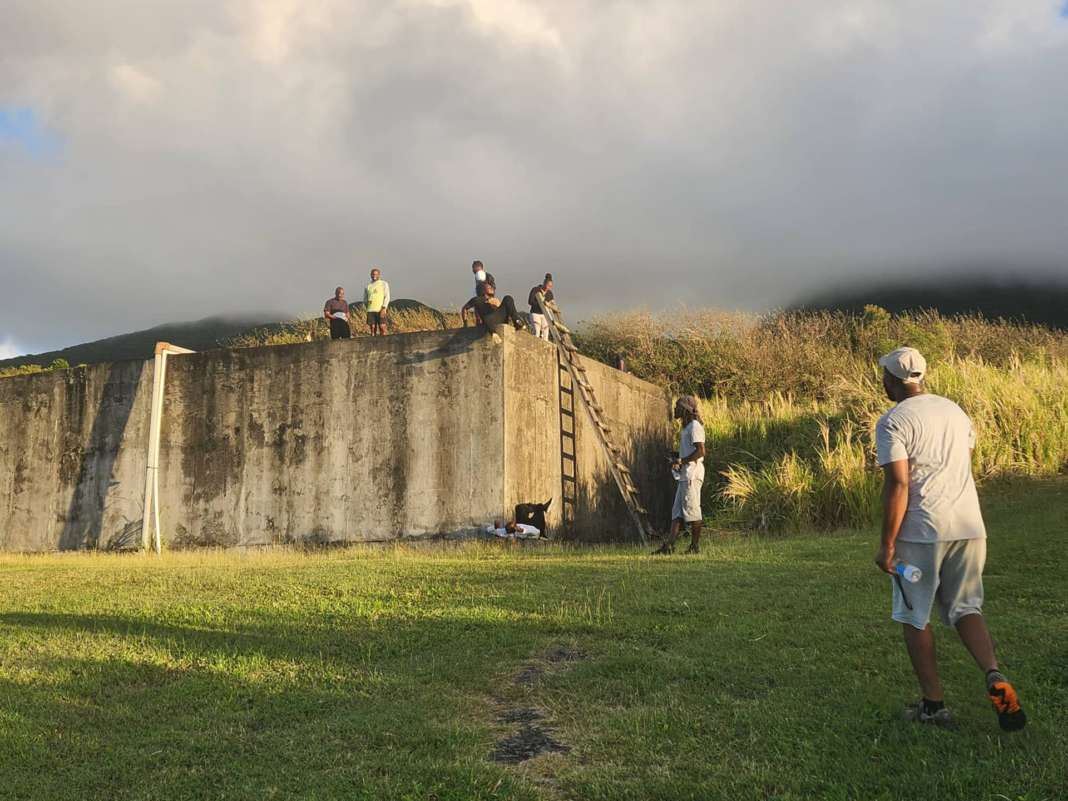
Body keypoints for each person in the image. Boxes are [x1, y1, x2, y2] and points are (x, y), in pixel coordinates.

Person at [874, 346, 1026, 731]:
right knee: (966, 608)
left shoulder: (893, 421)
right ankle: (993, 673)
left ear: (892, 379)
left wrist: (888, 544)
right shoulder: (956, 412)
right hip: (970, 527)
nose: (882, 382)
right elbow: (965, 459)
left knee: (915, 615)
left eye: (884, 377)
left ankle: (934, 705)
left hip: (923, 532)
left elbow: (899, 482)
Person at [653, 395, 705, 555]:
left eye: (677, 406)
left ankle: (694, 547)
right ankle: (668, 546)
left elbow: (701, 451)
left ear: (685, 409)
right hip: (685, 476)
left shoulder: (695, 426)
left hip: (691, 475)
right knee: (677, 513)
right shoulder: (687, 428)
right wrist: (676, 455)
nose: (674, 409)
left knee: (693, 511)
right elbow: (690, 450)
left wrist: (681, 460)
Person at [365, 268, 391, 336]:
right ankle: (373, 345)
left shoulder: (384, 283)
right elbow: (365, 299)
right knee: (373, 329)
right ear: (370, 275)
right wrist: (367, 306)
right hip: (371, 310)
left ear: (379, 275)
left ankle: (385, 344)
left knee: (382, 327)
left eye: (376, 274)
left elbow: (387, 296)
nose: (374, 275)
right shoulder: (368, 286)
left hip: (380, 309)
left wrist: (384, 308)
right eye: (373, 274)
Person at [527, 273, 554, 340]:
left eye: (550, 286)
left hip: (545, 315)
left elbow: (551, 305)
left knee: (545, 333)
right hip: (535, 313)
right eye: (548, 286)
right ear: (544, 283)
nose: (548, 288)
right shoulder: (535, 290)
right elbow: (530, 301)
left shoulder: (550, 294)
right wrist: (540, 304)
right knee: (537, 331)